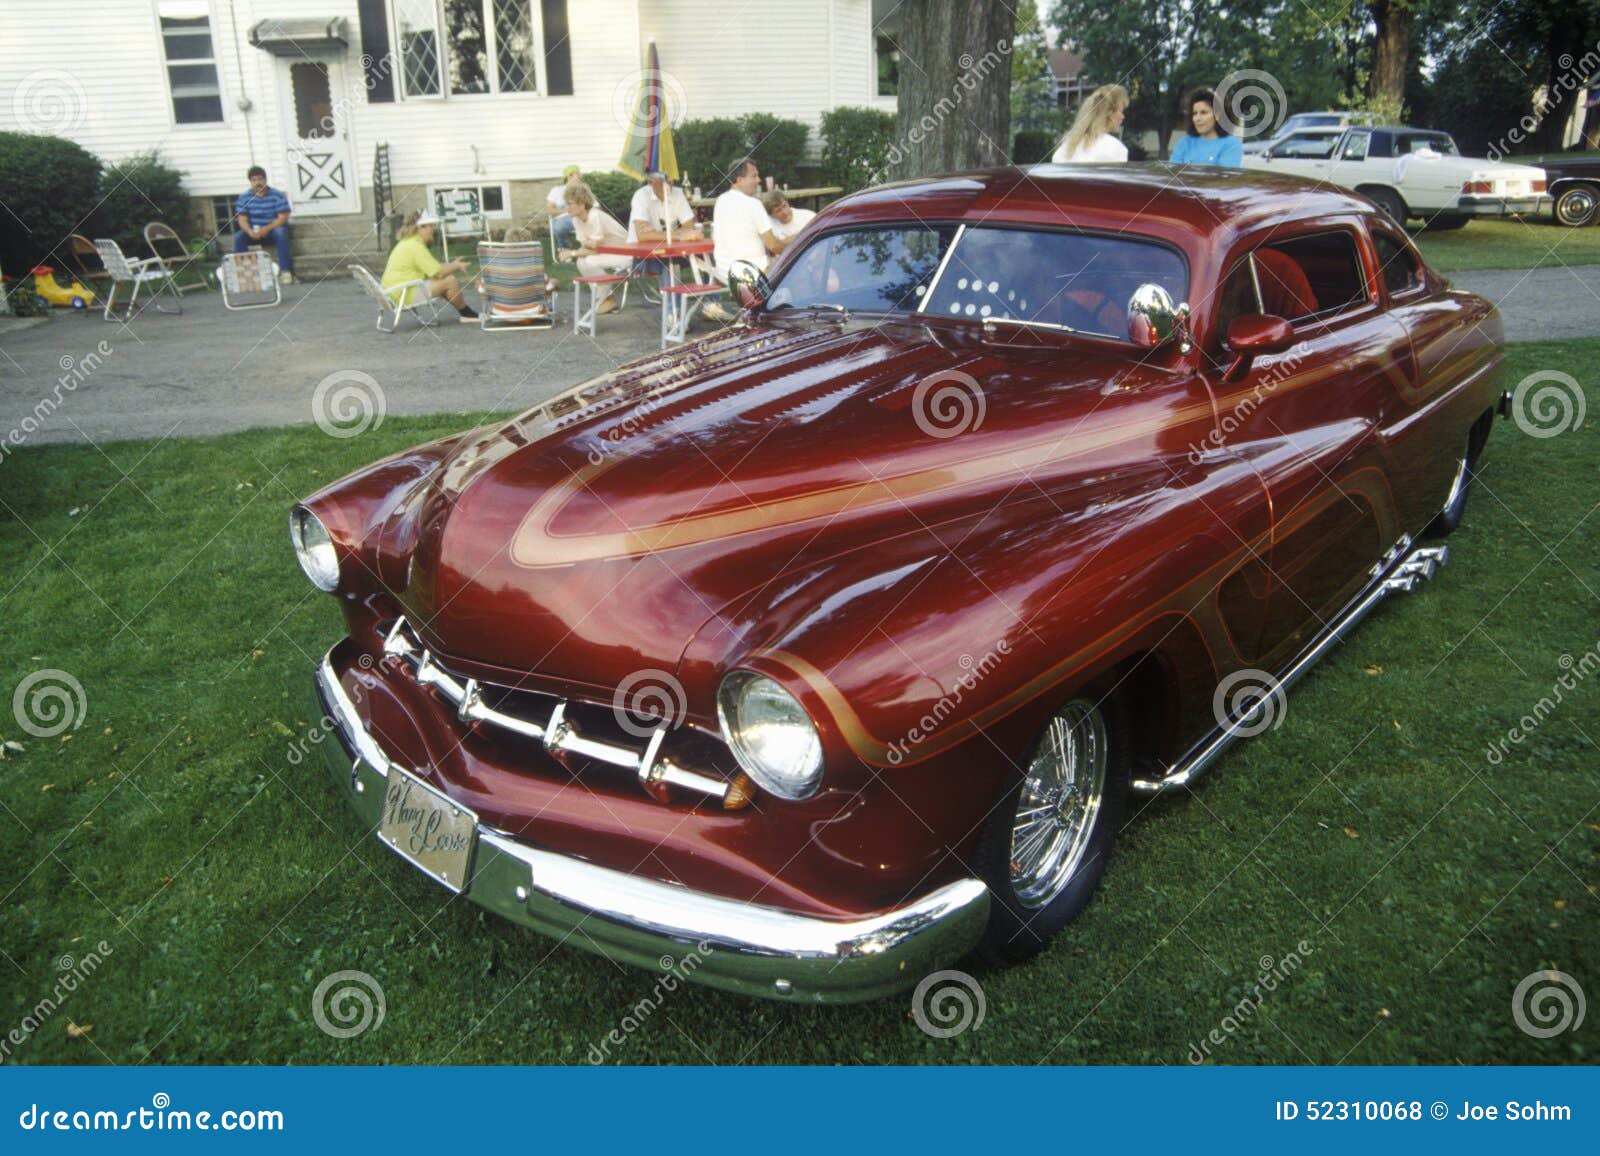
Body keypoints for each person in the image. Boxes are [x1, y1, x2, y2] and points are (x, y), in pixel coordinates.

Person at [380, 211, 477, 322]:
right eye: (429, 226)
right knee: (449, 281)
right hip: (403, 295)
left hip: (394, 293)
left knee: (443, 279)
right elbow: (439, 272)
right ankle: (467, 314)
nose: (432, 229)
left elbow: (433, 268)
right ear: (419, 228)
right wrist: (455, 266)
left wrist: (452, 265)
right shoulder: (415, 246)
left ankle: (467, 314)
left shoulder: (408, 242)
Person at [565, 182, 631, 314]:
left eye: (570, 204)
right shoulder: (576, 220)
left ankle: (605, 299)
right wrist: (576, 253)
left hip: (626, 253)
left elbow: (594, 248)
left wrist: (572, 253)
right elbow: (587, 247)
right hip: (608, 252)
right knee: (581, 261)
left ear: (582, 205)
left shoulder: (595, 216)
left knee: (588, 261)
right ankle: (606, 298)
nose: (567, 208)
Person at [713, 159, 786, 278]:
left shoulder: (721, 200)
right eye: (754, 176)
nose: (759, 180)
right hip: (753, 273)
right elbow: (773, 245)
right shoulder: (753, 204)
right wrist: (795, 245)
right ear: (739, 180)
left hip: (724, 272)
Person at [233, 166, 294, 283]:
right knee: (239, 237)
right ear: (250, 182)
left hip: (272, 230)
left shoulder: (277, 195)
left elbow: (282, 218)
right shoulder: (244, 197)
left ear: (265, 180)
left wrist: (266, 229)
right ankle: (244, 274)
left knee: (281, 233)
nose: (258, 183)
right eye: (254, 180)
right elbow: (242, 219)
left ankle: (286, 271)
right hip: (253, 232)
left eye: (260, 179)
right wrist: (249, 231)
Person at [1052, 85, 1130, 163]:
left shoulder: (1066, 146)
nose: (1123, 117)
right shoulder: (1116, 148)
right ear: (1110, 113)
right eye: (1121, 111)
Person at [1169, 87, 1243, 167]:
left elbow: (1224, 177)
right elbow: (1172, 173)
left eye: (1203, 113)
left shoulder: (1231, 144)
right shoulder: (1184, 142)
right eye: (1194, 113)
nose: (1197, 118)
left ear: (1217, 115)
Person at [545, 164, 581, 250]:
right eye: (578, 174)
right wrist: (565, 211)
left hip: (581, 217)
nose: (580, 176)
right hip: (563, 218)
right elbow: (549, 210)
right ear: (569, 176)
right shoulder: (557, 190)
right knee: (559, 226)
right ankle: (565, 247)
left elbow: (596, 207)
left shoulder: (583, 190)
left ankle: (590, 247)